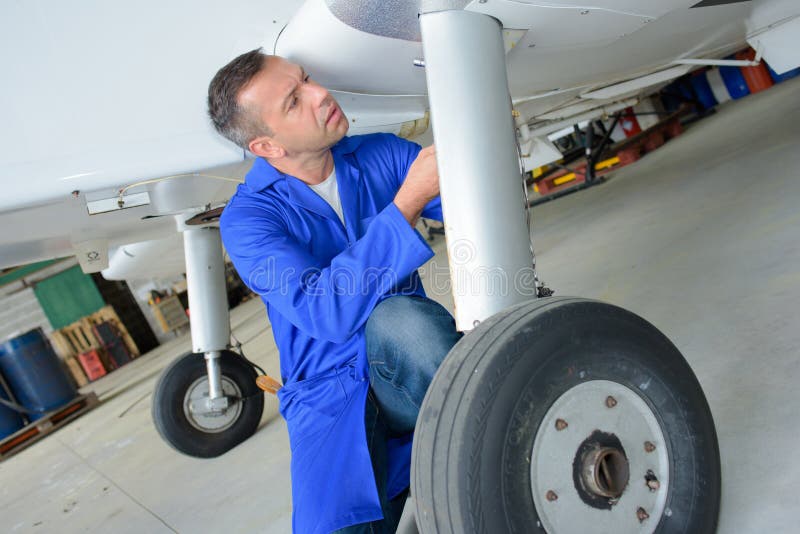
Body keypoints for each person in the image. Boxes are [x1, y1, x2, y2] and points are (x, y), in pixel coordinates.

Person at [208, 49, 462, 533]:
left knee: (402, 322)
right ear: (267, 146)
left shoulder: (381, 155)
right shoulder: (249, 220)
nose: (321, 94)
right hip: (327, 395)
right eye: (294, 101)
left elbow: (478, 205)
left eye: (307, 80)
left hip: (409, 365)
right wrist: (407, 203)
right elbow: (326, 311)